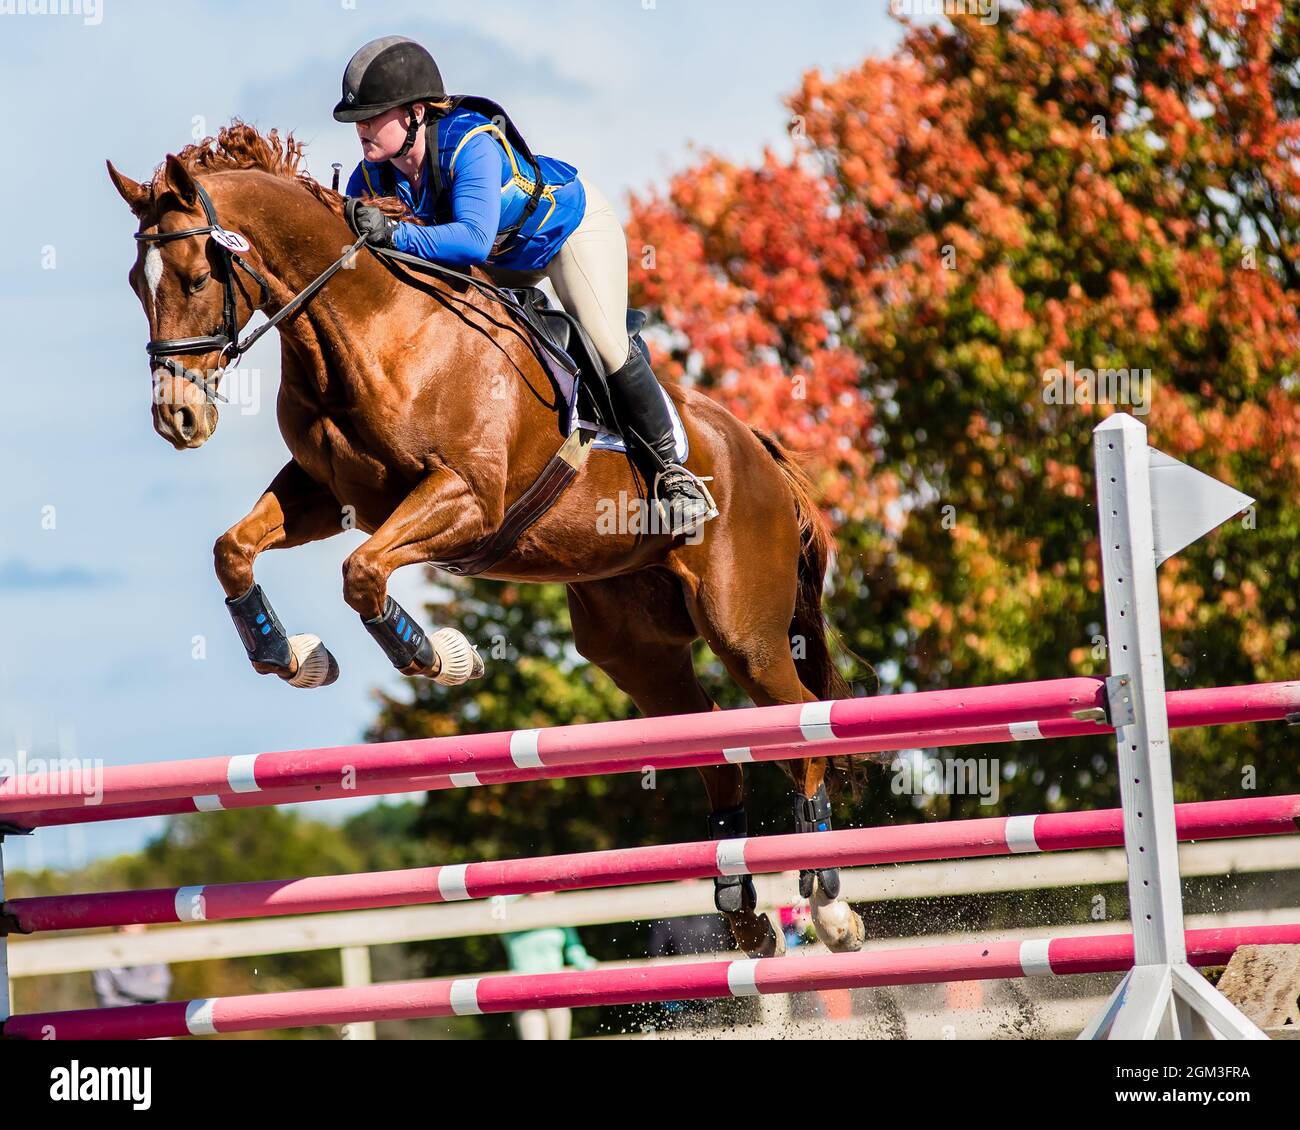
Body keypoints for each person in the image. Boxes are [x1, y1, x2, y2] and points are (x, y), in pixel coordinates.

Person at [333, 35, 718, 535]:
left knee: (602, 338)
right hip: (504, 258)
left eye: (372, 115)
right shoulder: (371, 176)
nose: (361, 127)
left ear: (415, 114)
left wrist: (396, 234)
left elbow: (471, 241)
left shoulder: (469, 145)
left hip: (565, 236)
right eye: (357, 119)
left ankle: (674, 474)